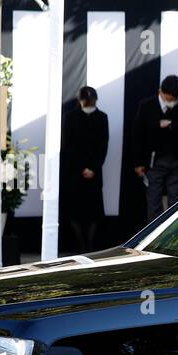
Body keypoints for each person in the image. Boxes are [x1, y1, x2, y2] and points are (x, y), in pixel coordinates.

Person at [131, 74, 178, 221]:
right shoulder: (146, 105)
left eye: (175, 99)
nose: (172, 102)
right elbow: (137, 135)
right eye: (169, 98)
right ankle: (153, 239)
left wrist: (171, 124)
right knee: (154, 203)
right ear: (161, 91)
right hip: (154, 162)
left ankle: (177, 237)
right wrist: (138, 163)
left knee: (177, 203)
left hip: (177, 161)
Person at [59, 86, 109, 253]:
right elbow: (67, 145)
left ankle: (91, 244)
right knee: (75, 210)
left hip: (94, 173)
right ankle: (80, 244)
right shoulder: (71, 117)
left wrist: (93, 168)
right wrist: (81, 168)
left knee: (93, 210)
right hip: (74, 172)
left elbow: (103, 145)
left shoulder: (102, 117)